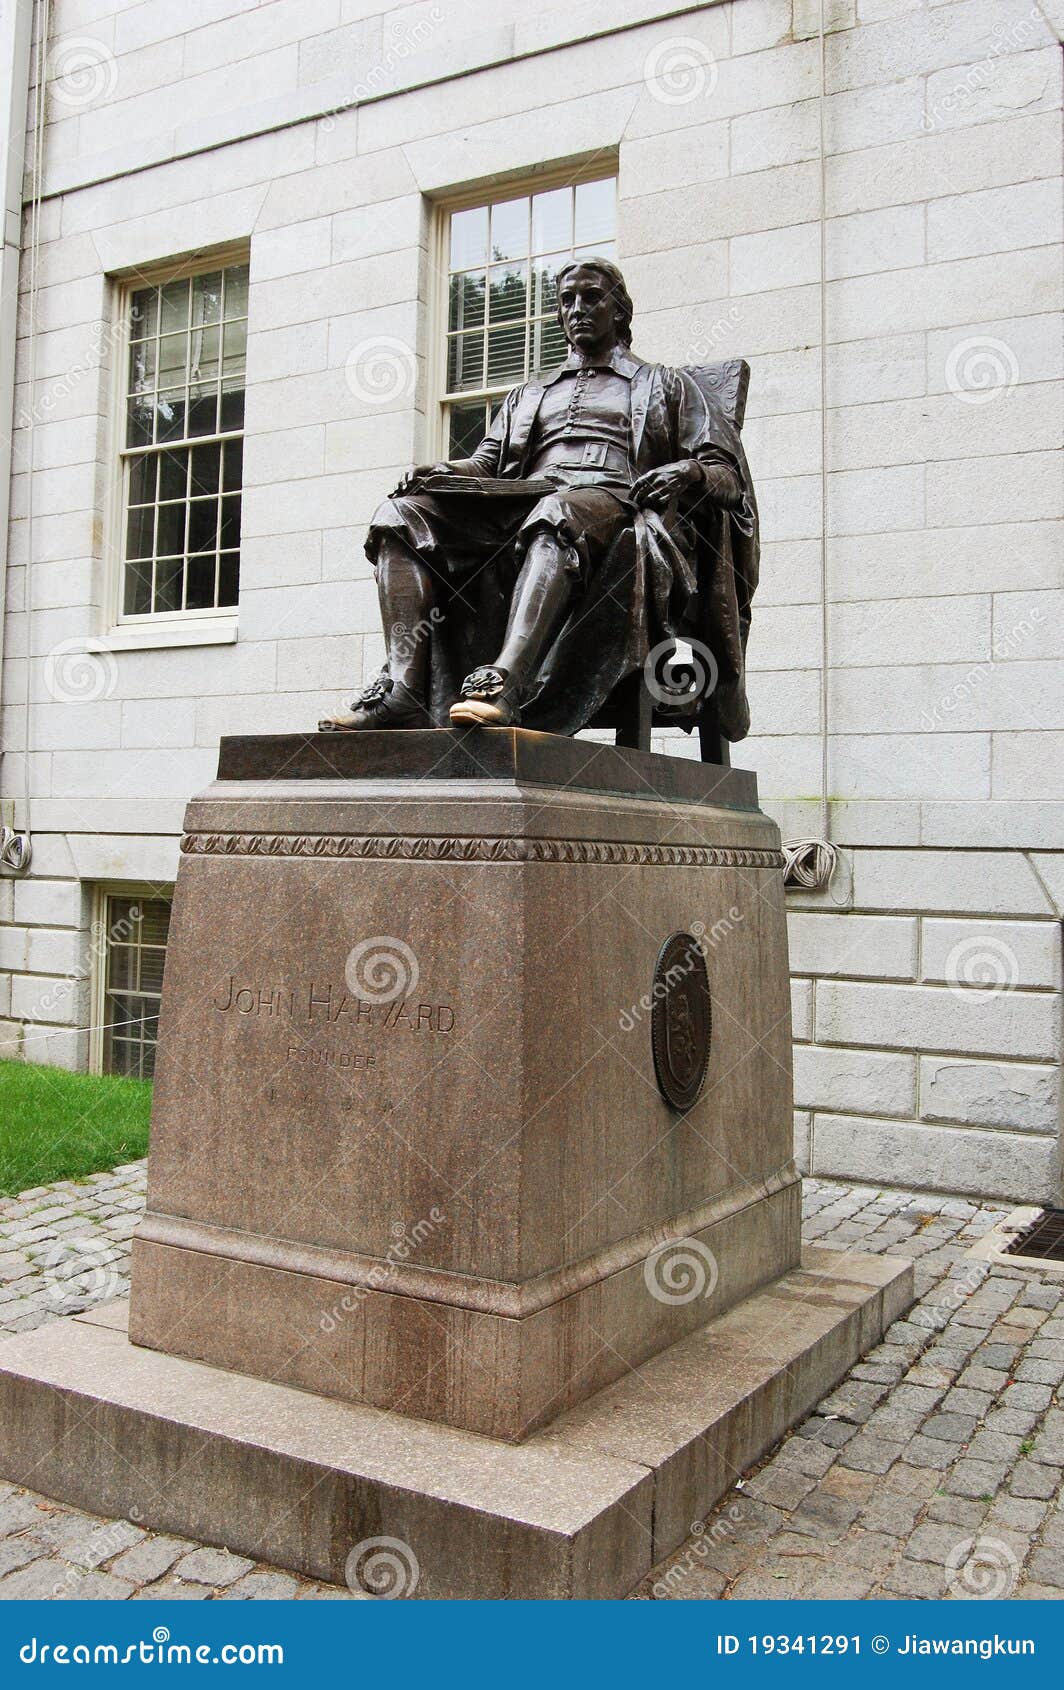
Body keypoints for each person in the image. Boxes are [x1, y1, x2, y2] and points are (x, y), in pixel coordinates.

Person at [319, 258, 758, 742]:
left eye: (592, 297)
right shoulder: (529, 393)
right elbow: (486, 465)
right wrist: (441, 471)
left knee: (558, 512)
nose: (577, 309)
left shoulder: (668, 384)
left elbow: (727, 478)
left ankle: (505, 683)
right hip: (522, 500)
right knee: (398, 515)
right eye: (567, 300)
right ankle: (403, 689)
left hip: (613, 501)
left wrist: (688, 469)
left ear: (621, 311)